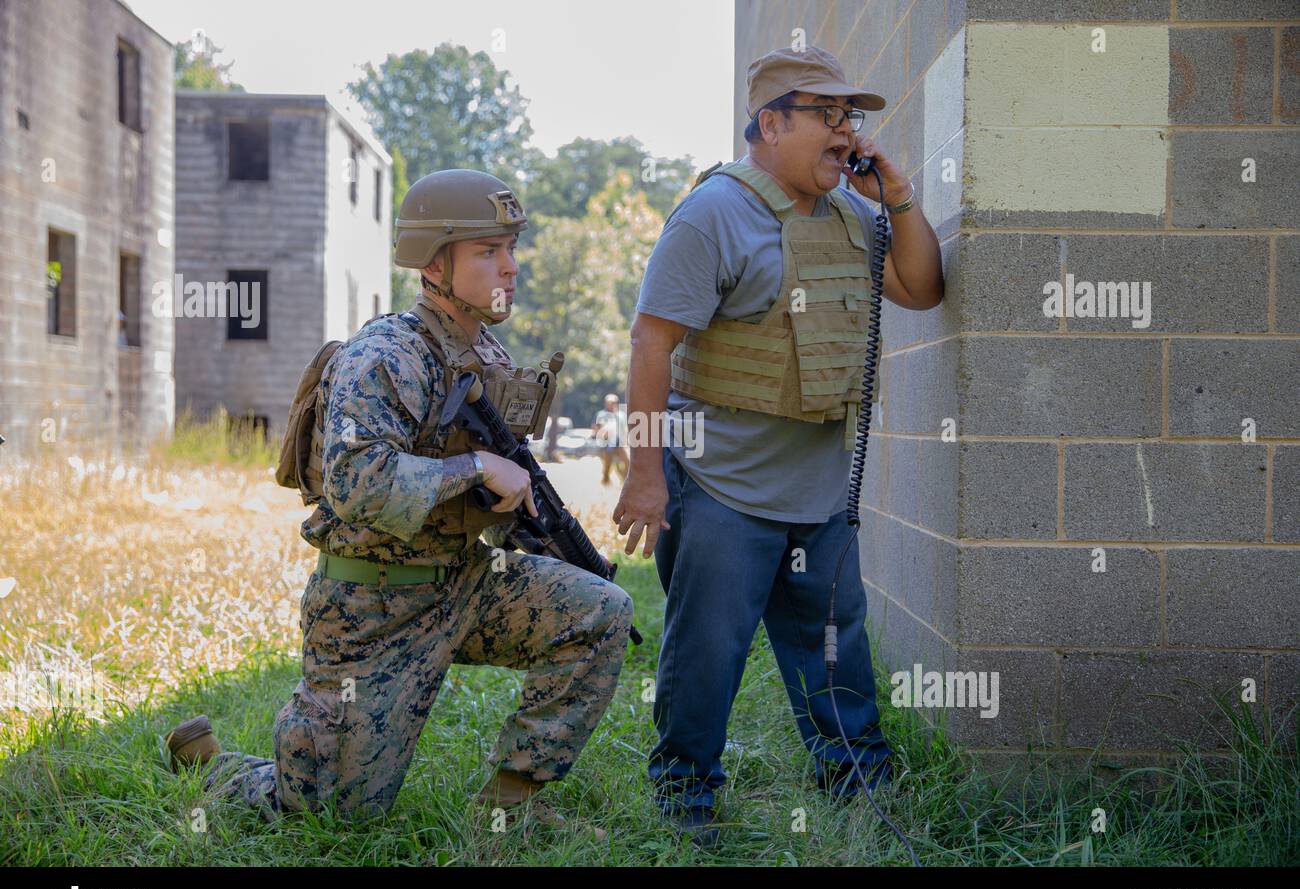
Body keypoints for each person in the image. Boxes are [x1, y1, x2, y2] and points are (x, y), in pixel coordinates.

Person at [164, 169, 633, 834]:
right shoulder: (385, 354)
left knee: (599, 612)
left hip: (464, 582)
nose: (510, 266)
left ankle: (513, 808)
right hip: (373, 606)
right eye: (487, 251)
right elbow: (355, 479)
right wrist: (477, 467)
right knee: (330, 817)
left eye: (512, 248)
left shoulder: (480, 350)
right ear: (435, 262)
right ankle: (218, 769)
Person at [613, 45, 945, 847]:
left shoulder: (857, 214)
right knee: (707, 658)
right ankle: (686, 800)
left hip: (821, 490)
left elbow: (923, 288)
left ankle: (860, 787)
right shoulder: (713, 215)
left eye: (851, 118)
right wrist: (646, 475)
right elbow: (651, 344)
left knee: (838, 655)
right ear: (769, 123)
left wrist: (897, 198)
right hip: (722, 486)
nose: (844, 132)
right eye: (825, 114)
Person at [592, 393, 628, 485]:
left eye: (613, 403)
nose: (611, 405)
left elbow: (624, 429)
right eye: (609, 403)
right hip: (606, 443)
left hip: (619, 443)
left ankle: (624, 481)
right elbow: (597, 428)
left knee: (627, 462)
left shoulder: (621, 415)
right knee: (608, 462)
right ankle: (606, 480)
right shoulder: (601, 414)